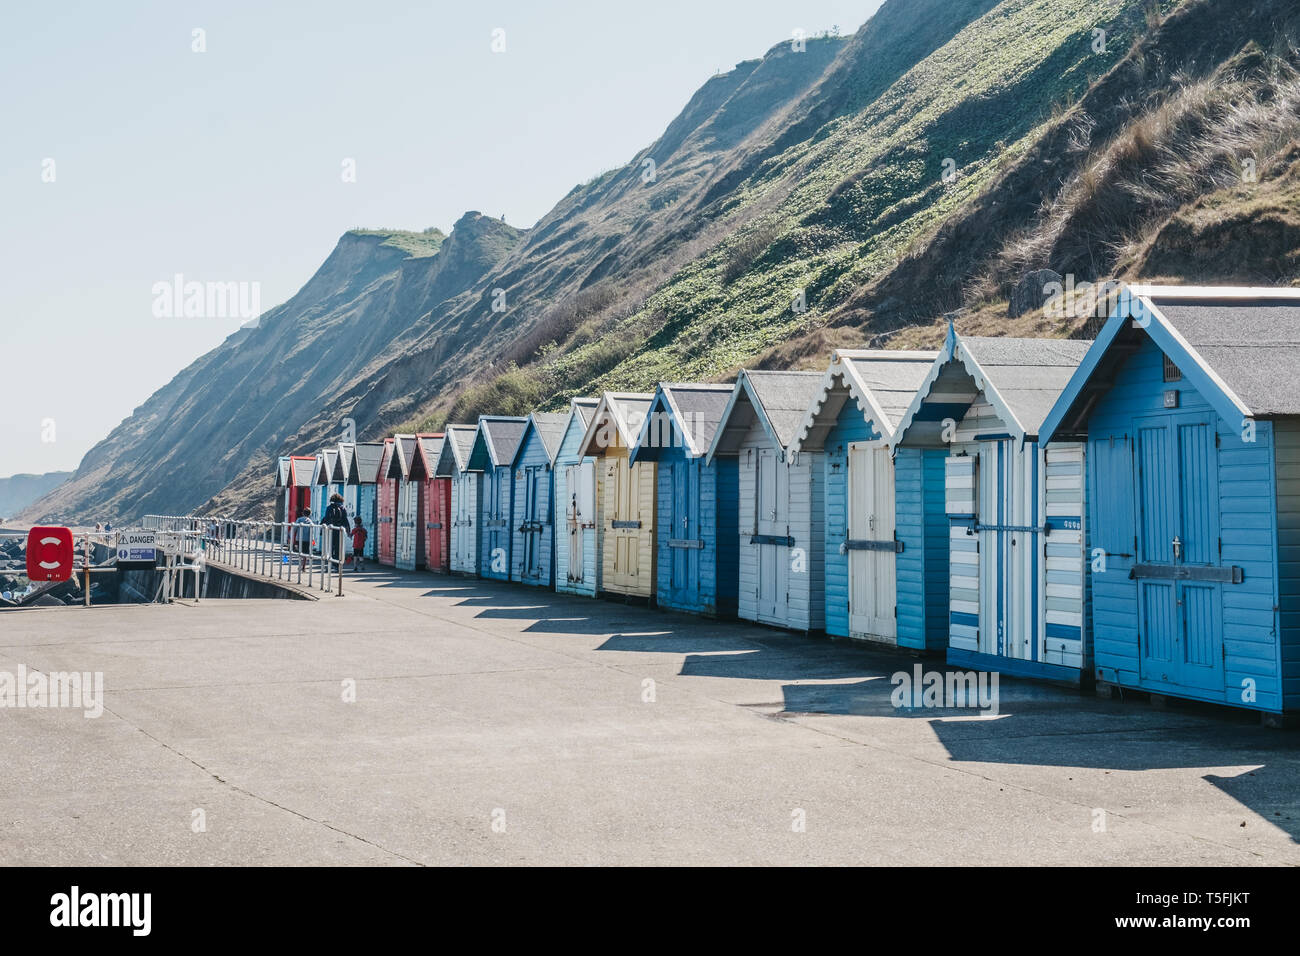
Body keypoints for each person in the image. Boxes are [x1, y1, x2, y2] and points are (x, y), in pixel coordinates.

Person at [322, 493, 350, 564]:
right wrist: (348, 530)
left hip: (330, 529)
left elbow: (326, 518)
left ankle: (329, 562)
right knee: (338, 547)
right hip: (339, 530)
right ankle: (337, 563)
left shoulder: (329, 508)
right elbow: (345, 519)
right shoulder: (342, 508)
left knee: (330, 547)